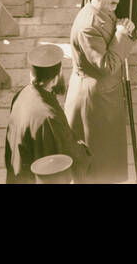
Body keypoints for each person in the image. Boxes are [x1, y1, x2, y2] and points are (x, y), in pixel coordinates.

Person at [65, 0, 135, 183]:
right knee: (98, 164)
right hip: (94, 103)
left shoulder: (103, 11)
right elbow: (106, 65)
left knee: (107, 160)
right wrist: (123, 34)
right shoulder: (88, 26)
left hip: (104, 97)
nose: (117, 1)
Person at [5, 44, 81, 184]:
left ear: (31, 74)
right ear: (55, 79)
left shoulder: (21, 94)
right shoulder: (49, 118)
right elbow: (61, 156)